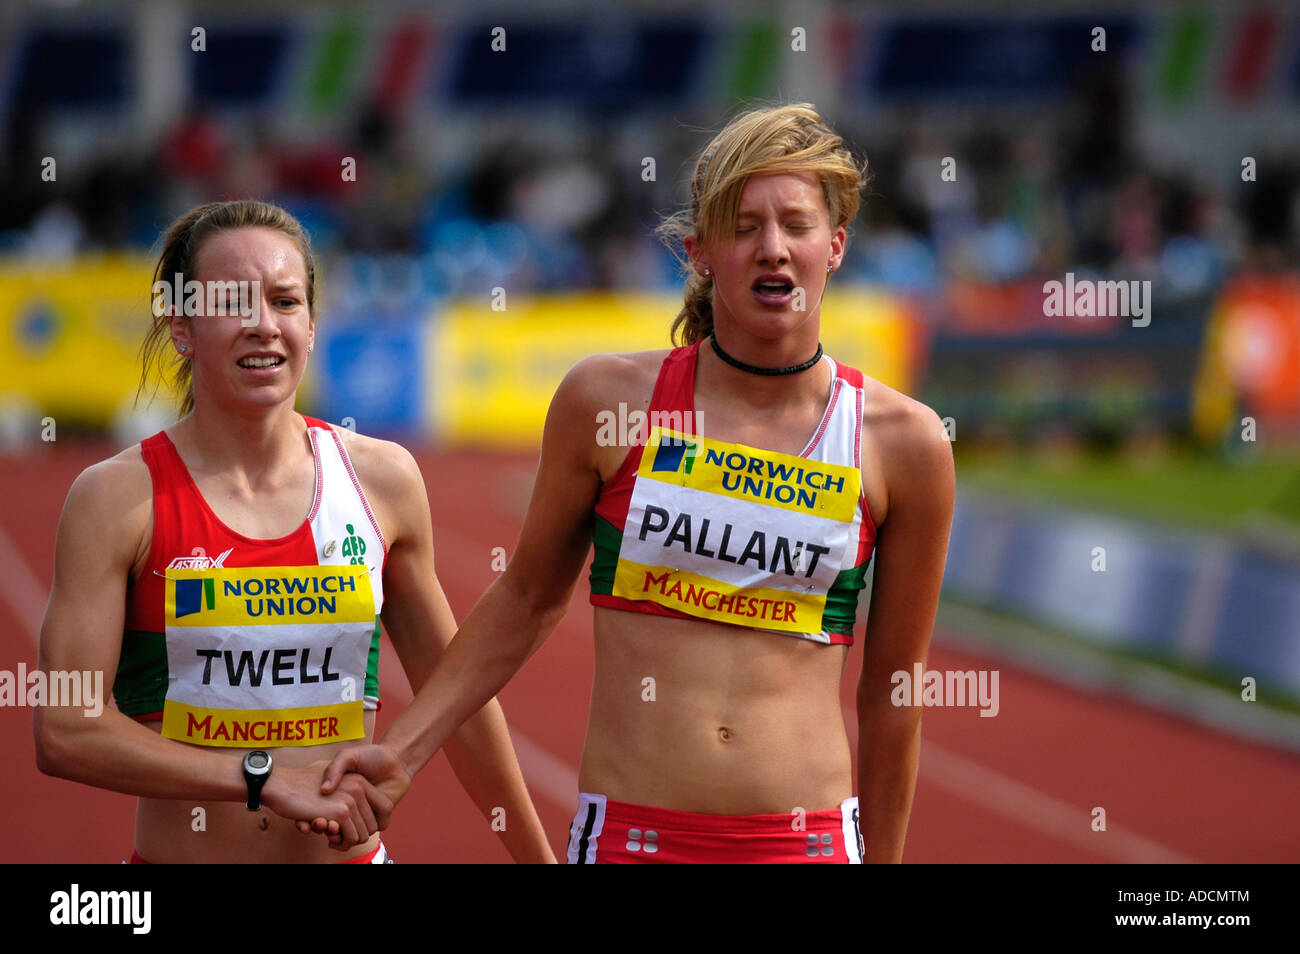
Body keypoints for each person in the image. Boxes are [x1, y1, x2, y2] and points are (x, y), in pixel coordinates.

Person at [318, 103, 955, 863]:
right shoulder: (607, 405)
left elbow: (893, 693)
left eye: (796, 224)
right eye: (744, 226)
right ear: (700, 252)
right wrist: (403, 750)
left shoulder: (904, 443)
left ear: (836, 246)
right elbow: (525, 596)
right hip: (631, 838)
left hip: (807, 843)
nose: (773, 249)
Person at [34, 199, 555, 863]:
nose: (262, 325)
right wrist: (264, 780)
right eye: (232, 302)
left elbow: (462, 702)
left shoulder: (382, 482)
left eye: (285, 302)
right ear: (182, 327)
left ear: (311, 324)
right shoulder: (115, 500)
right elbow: (65, 729)